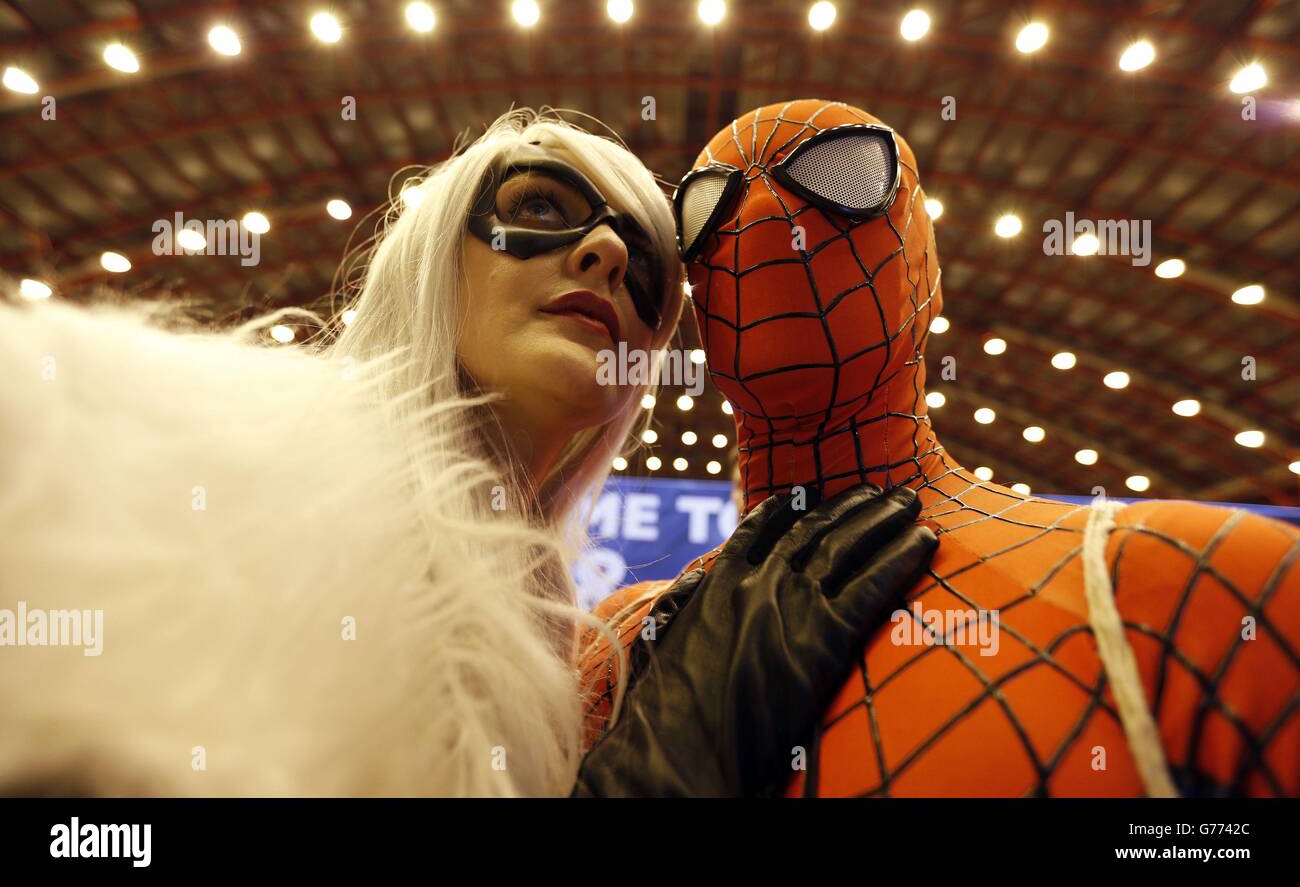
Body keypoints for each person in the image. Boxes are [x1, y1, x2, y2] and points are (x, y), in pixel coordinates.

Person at [0, 106, 936, 797]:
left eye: (645, 259)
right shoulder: (206, 449)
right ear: (438, 251)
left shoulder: (537, 628)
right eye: (542, 206)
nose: (606, 252)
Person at [580, 99, 1299, 797]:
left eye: (843, 174)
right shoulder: (617, 647)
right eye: (707, 210)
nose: (767, 215)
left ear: (927, 269)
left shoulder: (1189, 582)